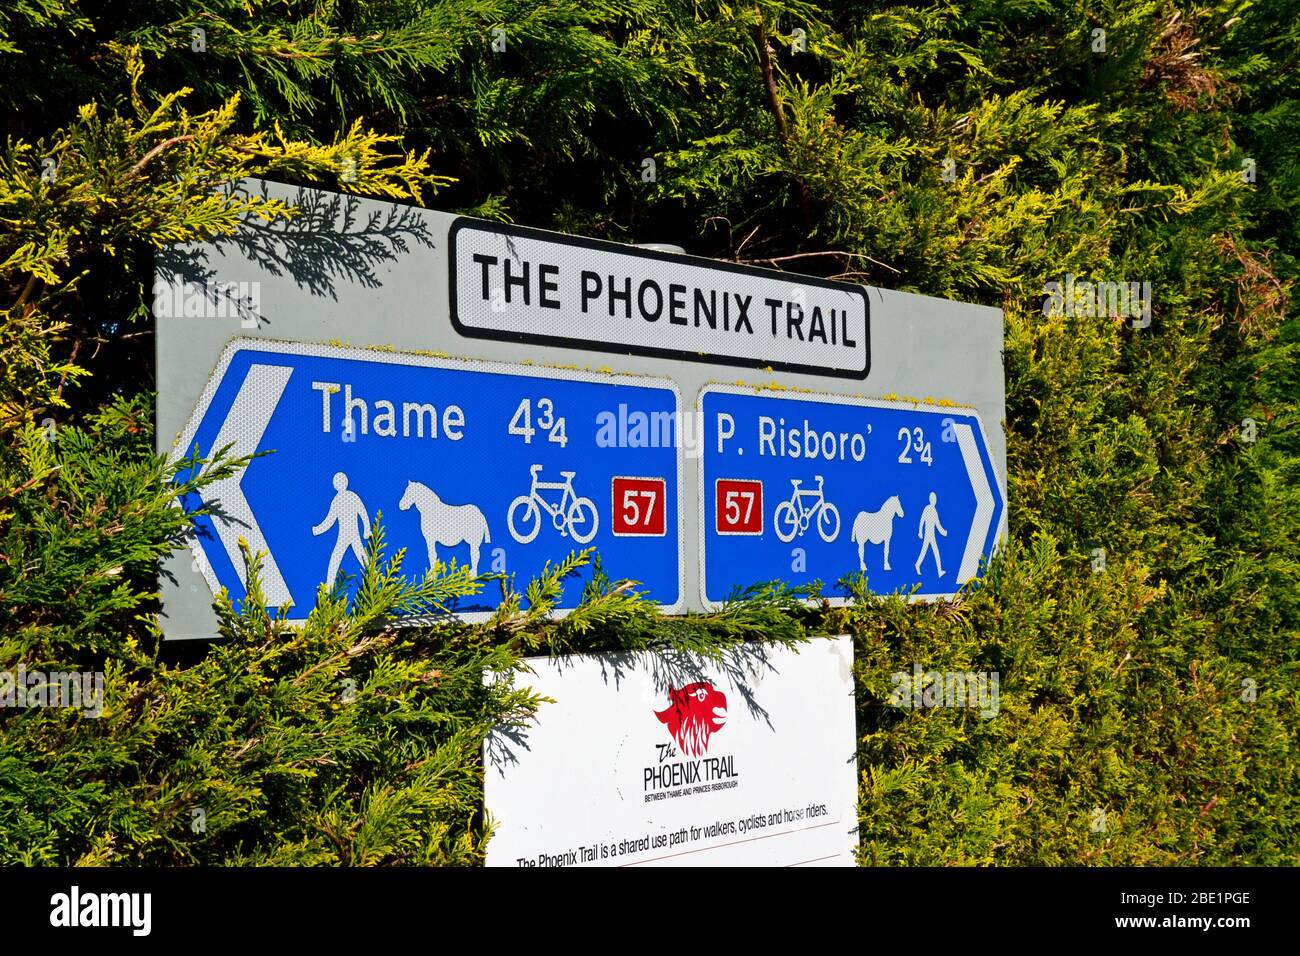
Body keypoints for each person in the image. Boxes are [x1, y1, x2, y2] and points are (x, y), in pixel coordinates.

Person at [312, 472, 371, 587]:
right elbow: (330, 520)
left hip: (352, 533)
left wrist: (367, 529)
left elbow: (363, 512)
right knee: (338, 557)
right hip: (344, 535)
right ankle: (329, 585)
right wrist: (318, 530)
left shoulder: (351, 497)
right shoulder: (337, 500)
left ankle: (373, 576)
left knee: (359, 555)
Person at [915, 491, 948, 577]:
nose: (934, 500)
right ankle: (918, 565)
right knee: (927, 552)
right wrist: (920, 532)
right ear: (930, 499)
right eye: (933, 498)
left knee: (933, 552)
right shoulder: (927, 509)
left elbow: (937, 524)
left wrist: (943, 532)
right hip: (928, 535)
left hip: (932, 535)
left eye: (935, 499)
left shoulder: (934, 510)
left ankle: (939, 571)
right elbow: (922, 520)